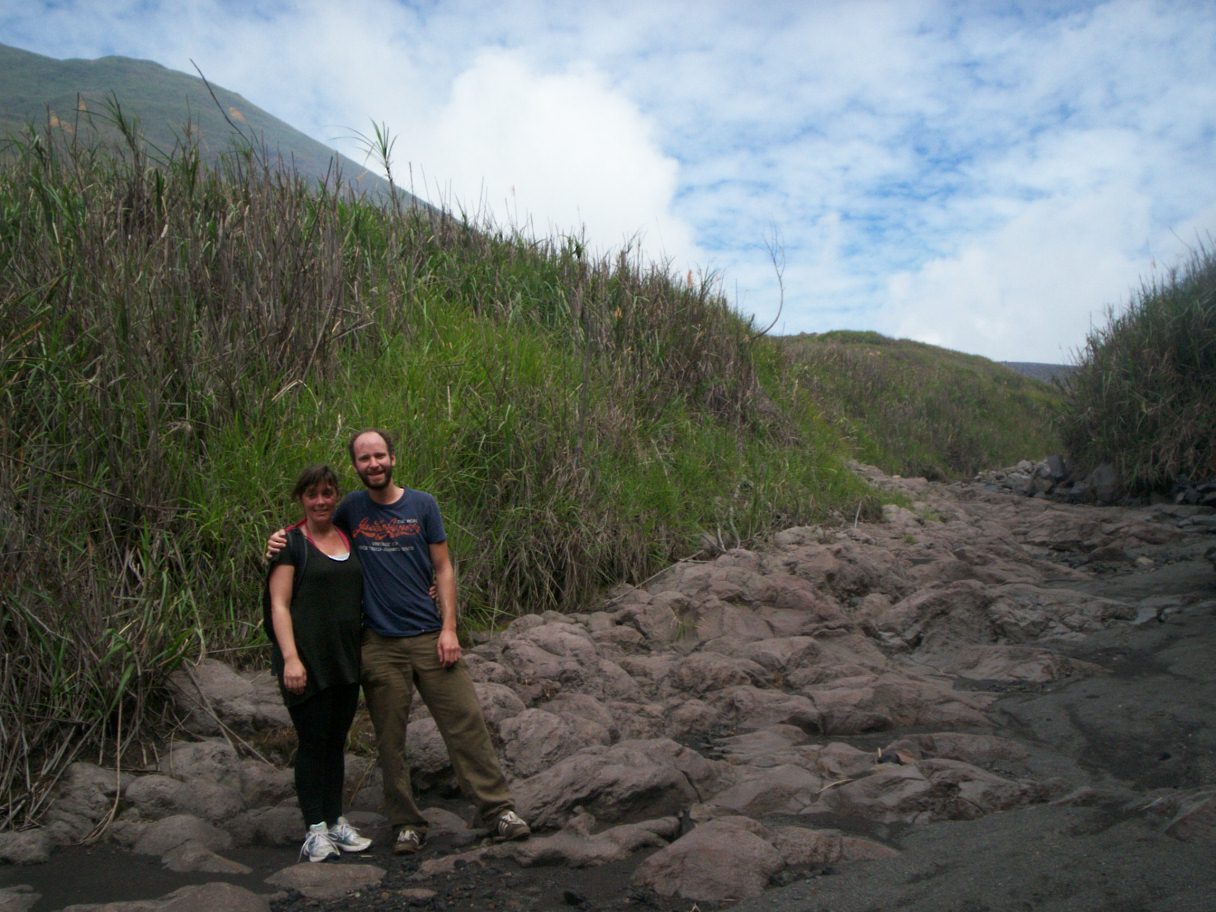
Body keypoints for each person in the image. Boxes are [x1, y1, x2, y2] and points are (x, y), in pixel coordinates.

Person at [267, 430, 530, 854]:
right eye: (364, 459)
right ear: (356, 466)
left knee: (466, 723)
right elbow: (313, 528)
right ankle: (406, 823)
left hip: (430, 636)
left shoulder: (422, 505)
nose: (373, 464)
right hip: (378, 644)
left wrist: (449, 628)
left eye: (379, 456)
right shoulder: (350, 507)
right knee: (390, 739)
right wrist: (278, 539)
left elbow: (442, 568)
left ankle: (498, 810)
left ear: (392, 457)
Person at [265, 464, 374, 863]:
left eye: (328, 493)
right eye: (312, 494)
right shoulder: (291, 544)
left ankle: (334, 820)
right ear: (301, 499)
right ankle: (314, 829)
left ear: (336, 496)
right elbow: (279, 604)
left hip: (344, 659)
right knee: (313, 743)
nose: (321, 501)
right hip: (305, 661)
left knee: (335, 742)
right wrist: (291, 659)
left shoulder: (349, 538)